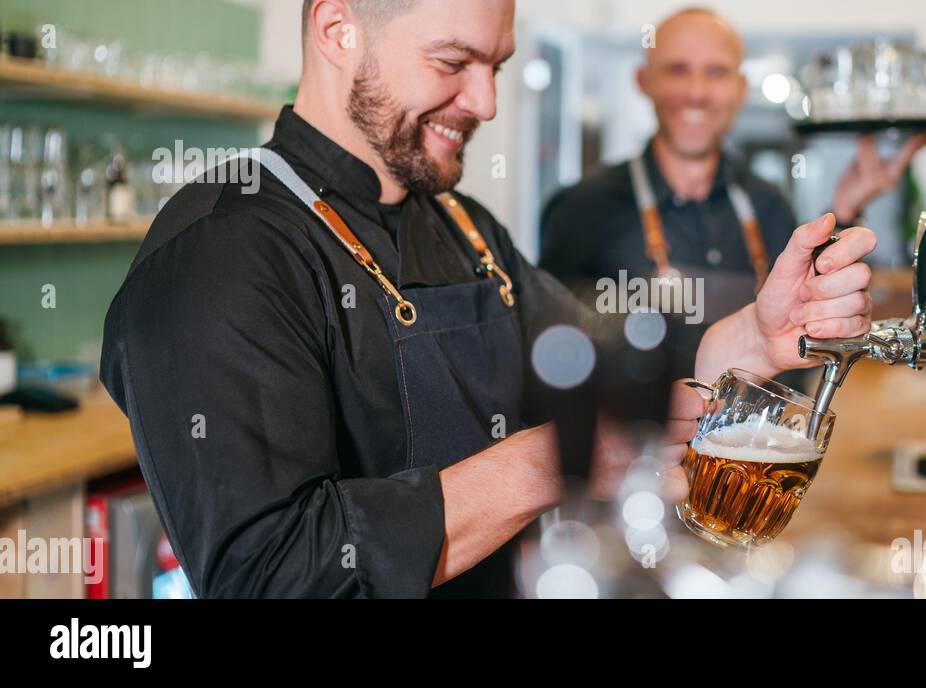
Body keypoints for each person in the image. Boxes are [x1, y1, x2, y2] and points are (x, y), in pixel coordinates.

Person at [99, 0, 878, 598]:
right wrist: (552, 461)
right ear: (338, 29)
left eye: (496, 66)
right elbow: (267, 574)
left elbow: (604, 378)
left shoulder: (465, 226)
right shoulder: (219, 252)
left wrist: (754, 338)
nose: (486, 102)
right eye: (453, 62)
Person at [540, 7, 926, 380]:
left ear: (740, 87)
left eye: (717, 72)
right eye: (678, 70)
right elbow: (553, 355)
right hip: (639, 448)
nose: (697, 92)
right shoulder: (582, 210)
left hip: (752, 443)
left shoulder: (768, 206)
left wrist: (847, 206)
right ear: (644, 81)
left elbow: (802, 317)